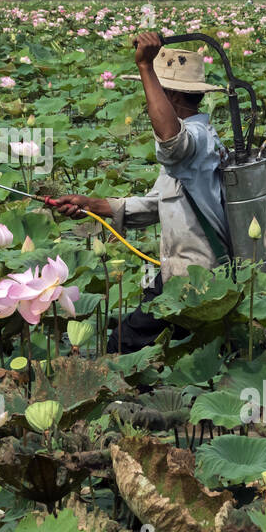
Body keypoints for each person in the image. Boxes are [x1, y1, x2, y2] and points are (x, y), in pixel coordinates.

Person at [49, 30, 231, 354]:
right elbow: (157, 204)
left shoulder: (195, 140)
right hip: (179, 273)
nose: (149, 101)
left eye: (155, 90)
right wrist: (91, 204)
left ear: (171, 95)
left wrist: (147, 67)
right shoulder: (202, 141)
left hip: (196, 279)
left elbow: (172, 142)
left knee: (123, 344)